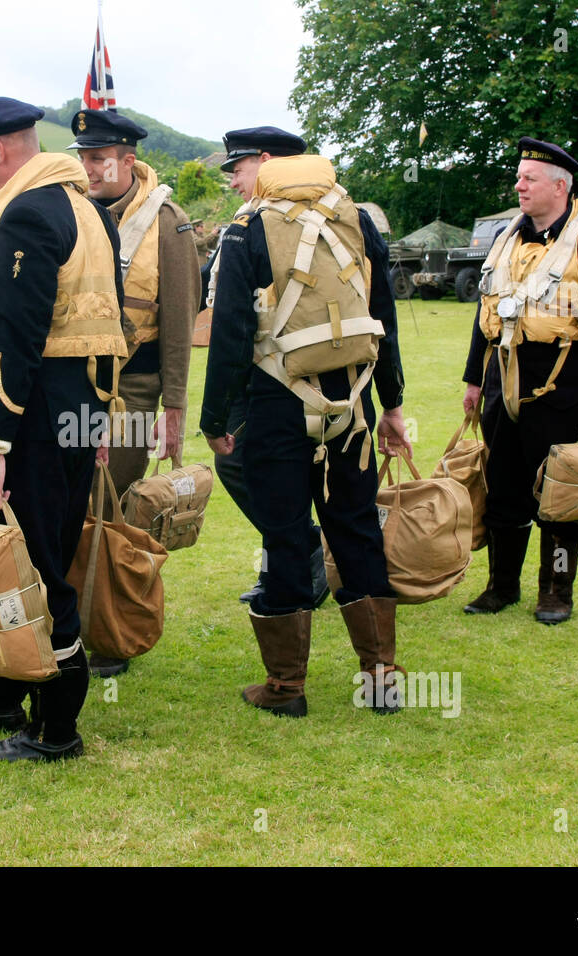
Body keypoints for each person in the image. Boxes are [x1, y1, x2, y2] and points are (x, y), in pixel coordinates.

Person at [0, 97, 127, 762]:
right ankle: (4, 693)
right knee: (16, 552)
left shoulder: (25, 212)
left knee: (36, 569)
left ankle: (54, 729)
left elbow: (18, 339)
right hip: (75, 412)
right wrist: (98, 422)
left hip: (32, 422)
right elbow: (105, 325)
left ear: (2, 149)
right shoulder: (89, 209)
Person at [200, 149, 411, 717]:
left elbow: (232, 332)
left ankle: (287, 688)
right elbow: (382, 313)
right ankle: (381, 680)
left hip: (275, 402)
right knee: (357, 529)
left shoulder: (245, 229)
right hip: (354, 400)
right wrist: (391, 402)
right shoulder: (357, 218)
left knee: (287, 535)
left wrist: (215, 419)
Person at [460, 138, 578, 625]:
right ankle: (501, 586)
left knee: (561, 494)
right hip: (500, 386)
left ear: (560, 186)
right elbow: (484, 316)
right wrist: (474, 381)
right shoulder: (505, 241)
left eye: (528, 178)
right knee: (503, 488)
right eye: (519, 177)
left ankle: (555, 592)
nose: (519, 185)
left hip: (561, 391)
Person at [68, 107, 200, 678]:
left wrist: (173, 407)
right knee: (75, 503)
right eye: (84, 158)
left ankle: (110, 634)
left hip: (135, 390)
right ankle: (74, 621)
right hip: (76, 387)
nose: (90, 169)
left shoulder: (167, 222)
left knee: (111, 508)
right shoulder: (75, 212)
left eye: (99, 159)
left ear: (128, 160)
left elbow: (180, 322)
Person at [203, 127, 329, 610]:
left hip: (279, 375)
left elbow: (234, 321)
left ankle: (300, 564)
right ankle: (297, 559)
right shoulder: (249, 218)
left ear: (268, 160)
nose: (233, 181)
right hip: (265, 374)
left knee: (263, 471)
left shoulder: (294, 221)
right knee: (246, 469)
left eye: (238, 168)